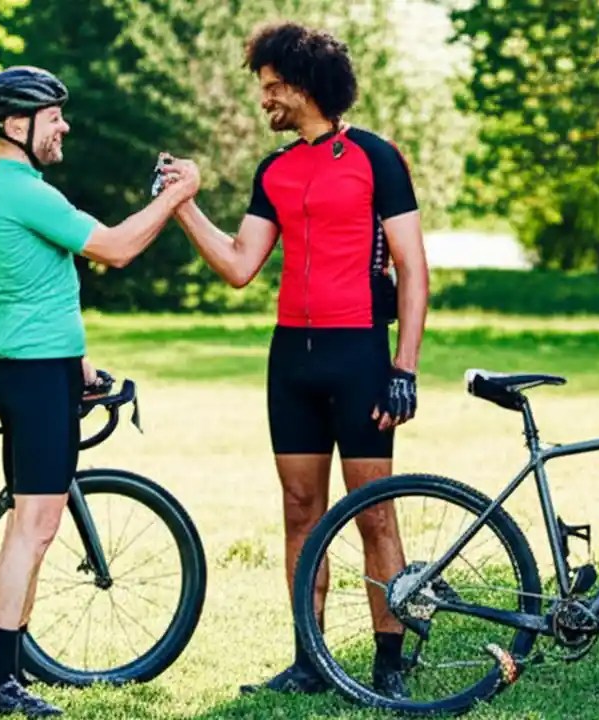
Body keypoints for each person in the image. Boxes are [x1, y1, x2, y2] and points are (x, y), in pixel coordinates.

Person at [165, 22, 429, 699]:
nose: (265, 100)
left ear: (306, 85)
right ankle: (309, 661)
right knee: (299, 508)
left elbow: (412, 266)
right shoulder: (275, 171)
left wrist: (404, 367)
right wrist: (183, 204)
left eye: (274, 87)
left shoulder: (376, 157)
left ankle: (389, 665)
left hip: (360, 354)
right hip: (292, 361)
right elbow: (239, 266)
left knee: (373, 512)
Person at [0, 65, 199, 717]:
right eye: (54, 117)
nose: (64, 126)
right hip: (34, 376)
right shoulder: (21, 192)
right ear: (17, 124)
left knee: (32, 526)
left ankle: (7, 672)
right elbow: (116, 248)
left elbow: (36, 291)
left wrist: (80, 366)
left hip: (41, 369)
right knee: (34, 528)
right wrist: (178, 197)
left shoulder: (12, 190)